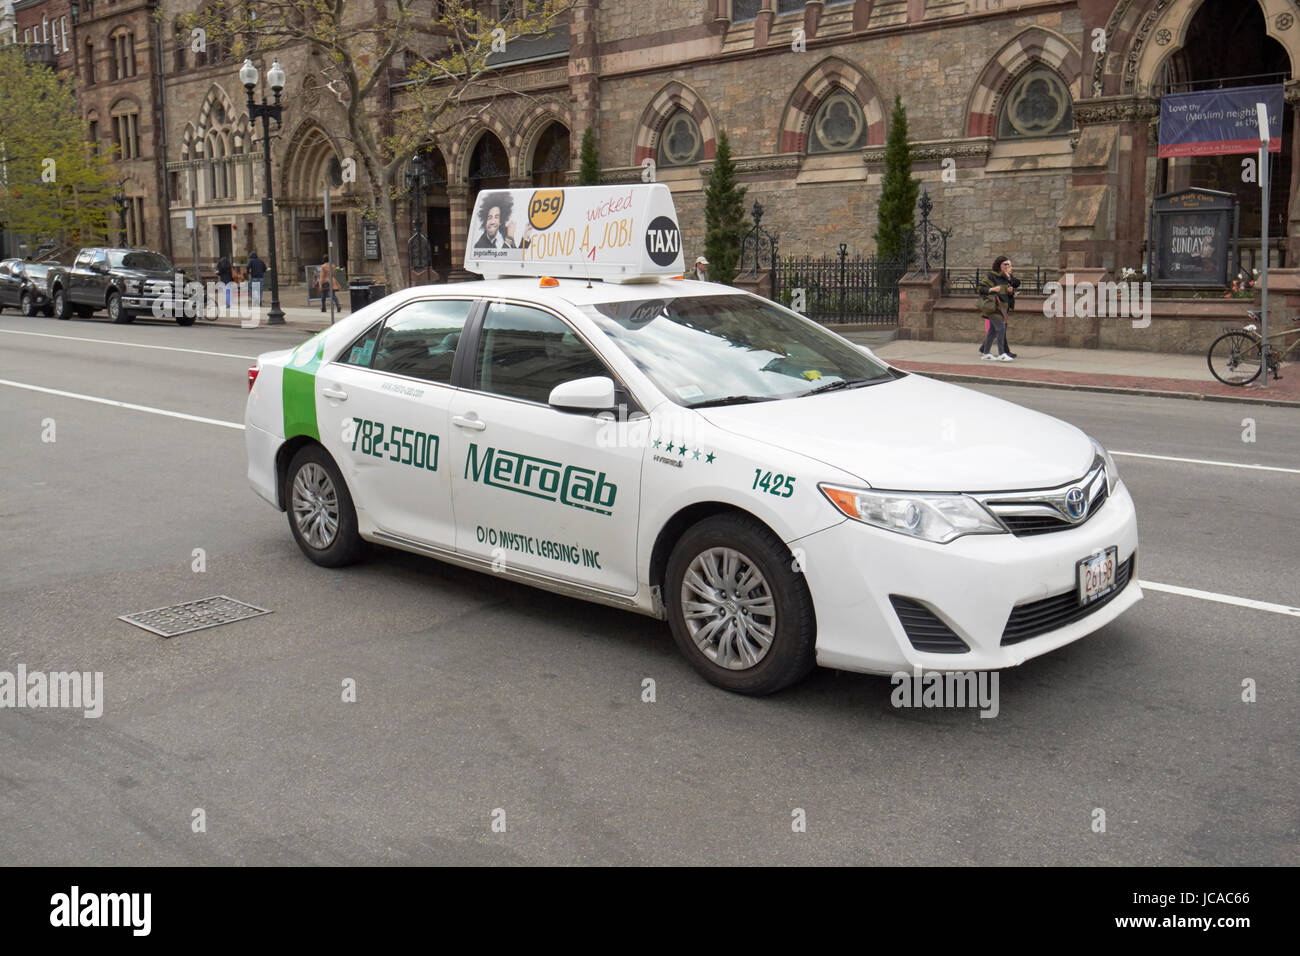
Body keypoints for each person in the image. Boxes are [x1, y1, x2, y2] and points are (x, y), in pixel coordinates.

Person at [978, 255, 1020, 361]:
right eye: (1005, 264)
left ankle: (986, 353)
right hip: (993, 307)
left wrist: (1011, 291)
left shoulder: (1006, 277)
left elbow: (1013, 285)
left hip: (1003, 307)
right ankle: (1002, 354)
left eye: (1008, 265)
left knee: (992, 331)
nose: (1007, 266)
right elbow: (980, 288)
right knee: (1001, 328)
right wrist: (992, 289)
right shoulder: (991, 276)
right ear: (999, 264)